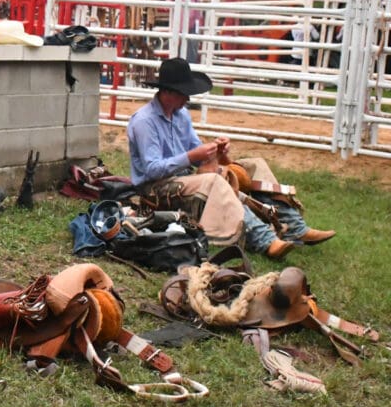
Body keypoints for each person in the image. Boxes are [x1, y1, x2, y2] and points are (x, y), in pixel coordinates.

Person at [127, 57, 336, 259]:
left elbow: (196, 152)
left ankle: (295, 227)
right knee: (215, 181)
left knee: (254, 165)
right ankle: (265, 239)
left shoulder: (181, 115)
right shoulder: (145, 122)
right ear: (168, 92)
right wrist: (192, 156)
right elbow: (152, 170)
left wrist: (216, 152)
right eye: (184, 93)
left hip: (183, 179)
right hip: (156, 187)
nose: (188, 99)